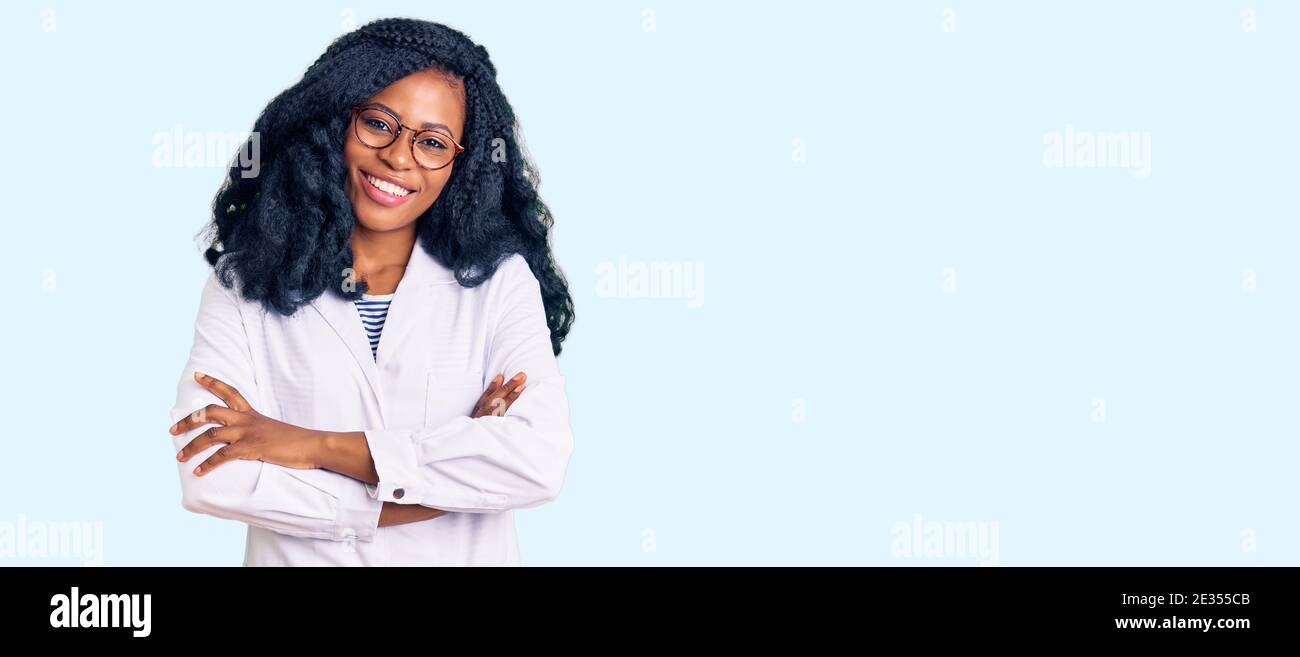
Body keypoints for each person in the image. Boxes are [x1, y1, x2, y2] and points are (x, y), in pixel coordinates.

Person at [165, 18, 575, 566]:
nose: (399, 158)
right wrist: (442, 479)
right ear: (335, 122)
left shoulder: (498, 282)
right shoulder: (244, 282)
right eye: (378, 124)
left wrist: (309, 445)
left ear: (462, 163)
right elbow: (210, 477)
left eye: (432, 142)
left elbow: (536, 460)